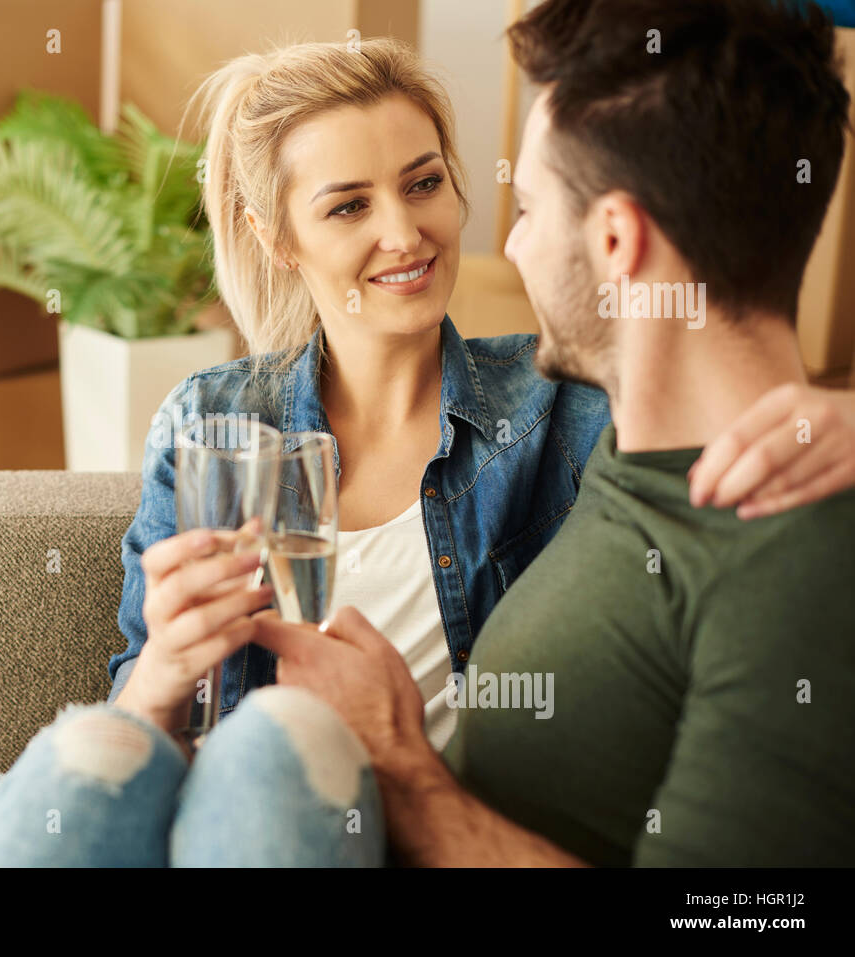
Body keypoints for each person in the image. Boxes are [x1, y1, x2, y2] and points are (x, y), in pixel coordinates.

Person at [0, 6, 855, 867]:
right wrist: (166, 670)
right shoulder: (214, 425)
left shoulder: (567, 408)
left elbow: (724, 376)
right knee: (101, 742)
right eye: (348, 206)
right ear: (279, 240)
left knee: (274, 739)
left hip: (349, 811)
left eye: (426, 184)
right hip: (221, 814)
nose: (404, 231)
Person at [251, 0, 855, 866]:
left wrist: (403, 768)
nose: (516, 246)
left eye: (526, 209)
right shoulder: (635, 445)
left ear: (615, 239)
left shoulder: (797, 552)